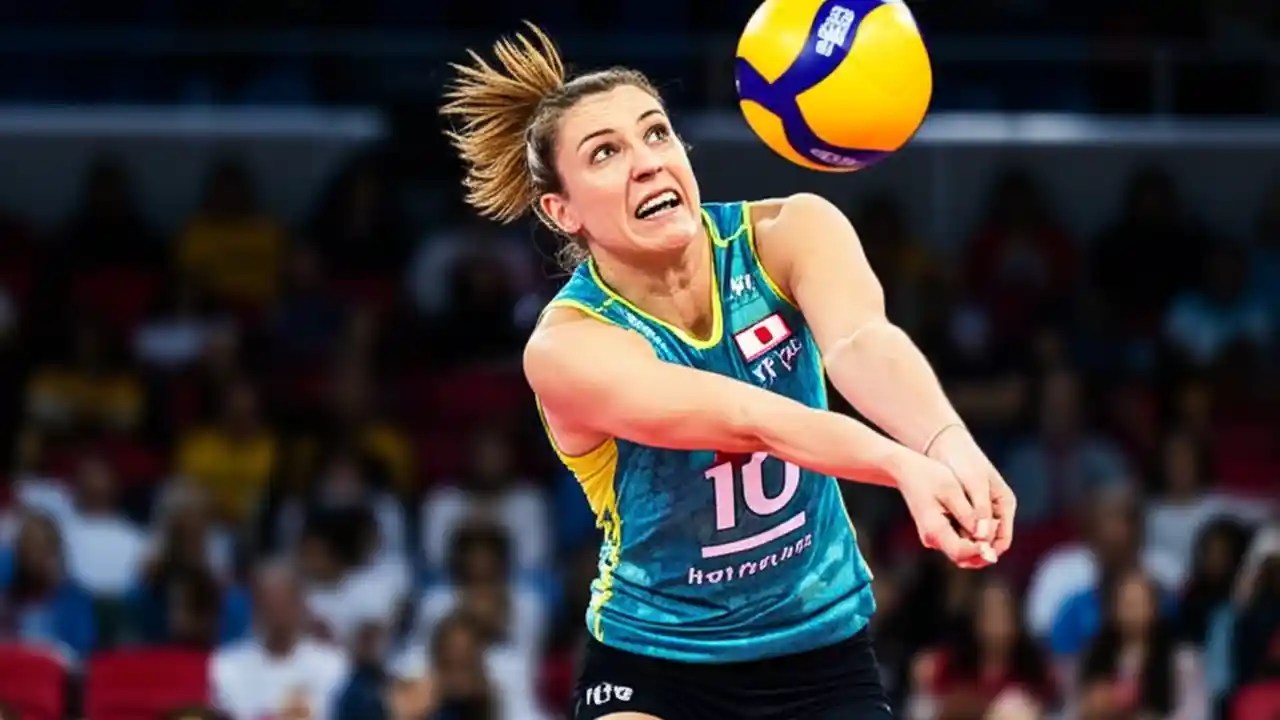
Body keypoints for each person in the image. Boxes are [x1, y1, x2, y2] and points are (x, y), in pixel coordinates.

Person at [441, 24, 1016, 720]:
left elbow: (864, 343)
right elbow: (752, 420)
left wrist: (947, 444)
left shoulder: (791, 231)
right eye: (606, 153)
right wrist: (902, 467)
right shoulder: (569, 346)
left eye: (656, 134)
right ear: (562, 212)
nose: (648, 161)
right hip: (656, 658)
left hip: (817, 645)